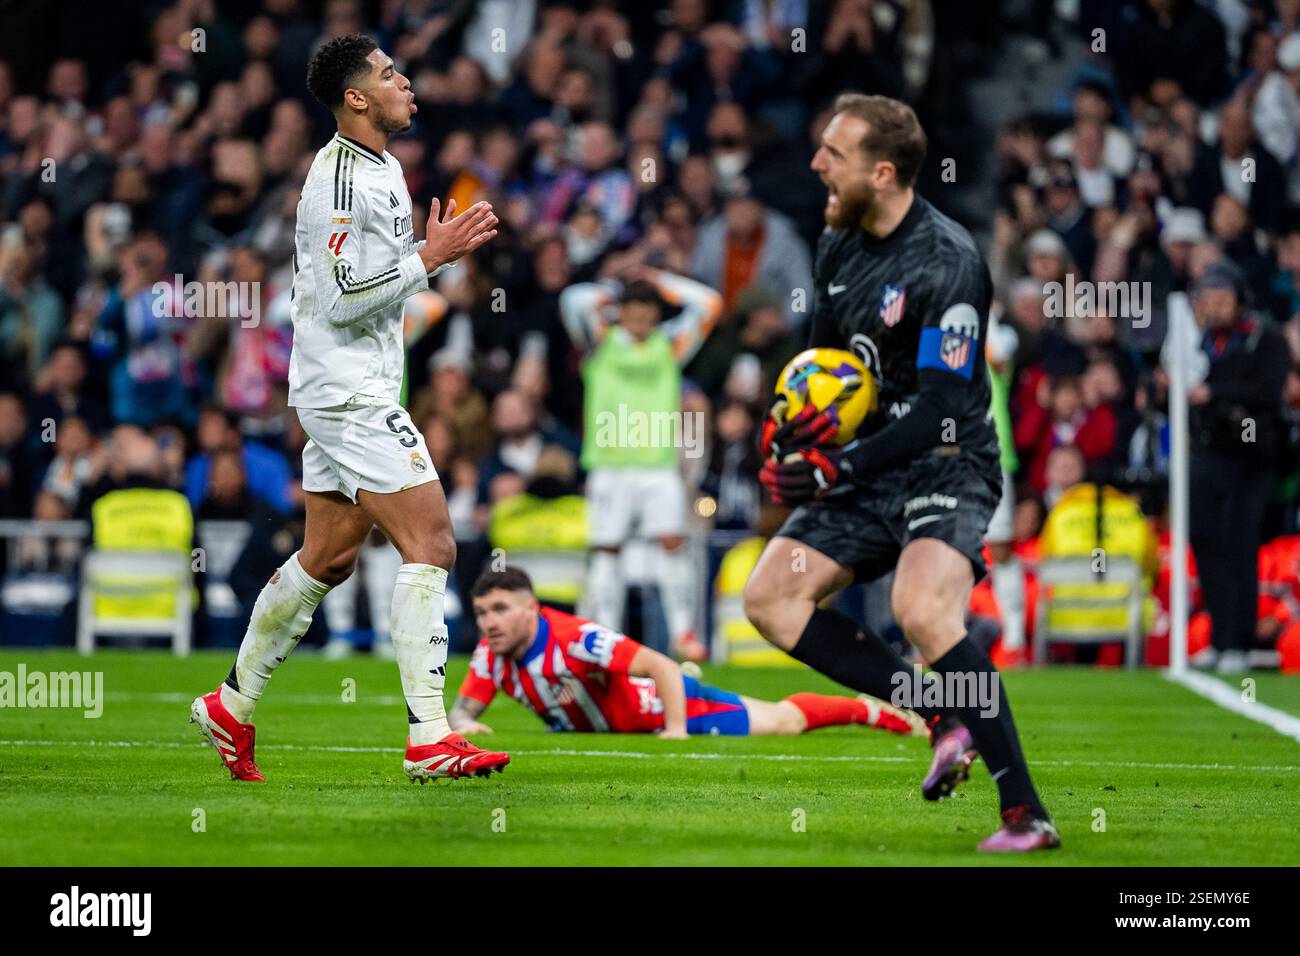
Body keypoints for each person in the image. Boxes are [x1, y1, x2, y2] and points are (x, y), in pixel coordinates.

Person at [189, 33, 507, 784]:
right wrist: (428, 260)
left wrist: (423, 267)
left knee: (327, 557)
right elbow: (337, 297)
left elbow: (375, 288)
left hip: (355, 384)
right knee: (432, 544)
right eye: (389, 73)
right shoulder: (335, 182)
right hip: (347, 391)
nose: (405, 81)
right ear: (356, 97)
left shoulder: (386, 167)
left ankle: (231, 706)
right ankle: (430, 735)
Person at [745, 93, 1057, 851]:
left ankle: (1026, 813)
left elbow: (945, 406)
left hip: (947, 462)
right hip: (867, 469)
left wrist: (835, 466)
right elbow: (819, 366)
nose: (816, 164)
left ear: (882, 173)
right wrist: (791, 438)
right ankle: (939, 711)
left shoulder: (948, 263)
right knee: (772, 598)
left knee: (922, 611)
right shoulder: (838, 243)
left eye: (834, 155)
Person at [449, 567, 925, 739]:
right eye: (482, 612)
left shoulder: (576, 638)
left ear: (532, 609)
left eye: (499, 610)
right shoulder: (491, 655)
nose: (489, 622)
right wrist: (465, 723)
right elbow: (464, 708)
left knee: (784, 721)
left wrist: (676, 729)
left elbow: (659, 665)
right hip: (624, 725)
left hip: (671, 708)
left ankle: (877, 712)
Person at [559, 265, 721, 662]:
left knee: (671, 543)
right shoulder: (601, 341)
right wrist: (620, 283)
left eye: (649, 308)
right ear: (621, 309)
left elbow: (710, 304)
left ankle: (684, 634)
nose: (642, 316)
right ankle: (608, 636)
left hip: (657, 464)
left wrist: (655, 276)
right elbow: (572, 298)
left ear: (657, 313)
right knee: (607, 548)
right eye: (633, 307)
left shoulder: (671, 346)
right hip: (609, 463)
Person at [1187, 259, 1288, 674]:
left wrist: (1215, 391)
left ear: (1240, 301)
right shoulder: (1197, 344)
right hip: (1209, 453)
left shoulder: (1264, 339)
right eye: (1207, 299)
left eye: (1222, 298)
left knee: (1239, 544)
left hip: (1251, 457)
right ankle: (1219, 634)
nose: (1214, 307)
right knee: (1204, 538)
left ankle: (1239, 642)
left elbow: (1269, 391)